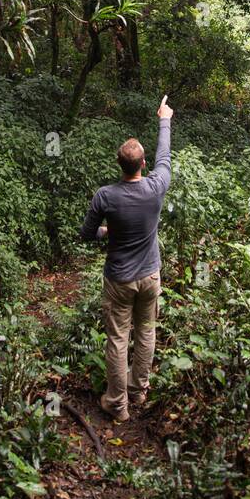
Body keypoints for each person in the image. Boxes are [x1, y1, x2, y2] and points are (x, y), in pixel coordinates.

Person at [79, 95, 173, 421]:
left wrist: (107, 233)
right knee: (146, 331)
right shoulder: (156, 187)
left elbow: (87, 234)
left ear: (119, 165)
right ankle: (138, 391)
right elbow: (165, 156)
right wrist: (164, 119)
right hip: (150, 276)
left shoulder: (106, 196)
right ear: (142, 164)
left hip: (119, 279)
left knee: (119, 339)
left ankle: (118, 404)